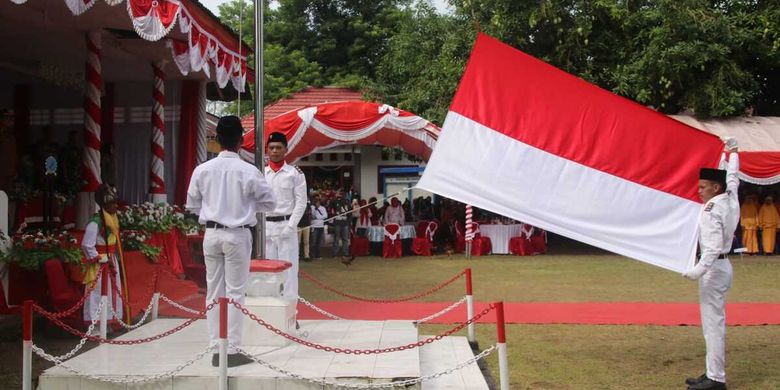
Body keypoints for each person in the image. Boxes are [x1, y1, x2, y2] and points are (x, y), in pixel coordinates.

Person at [186, 115, 276, 367]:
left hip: (211, 233)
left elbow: (192, 205)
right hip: (237, 233)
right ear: (240, 140)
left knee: (214, 290)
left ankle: (216, 345)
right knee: (236, 291)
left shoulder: (202, 170)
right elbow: (270, 202)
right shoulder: (248, 170)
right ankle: (232, 348)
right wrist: (245, 204)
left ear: (217, 138)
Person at [682, 140, 739, 390]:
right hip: (722, 267)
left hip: (714, 268)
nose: (700, 191)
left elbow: (713, 247)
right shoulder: (730, 197)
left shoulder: (711, 209)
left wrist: (696, 271)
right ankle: (712, 372)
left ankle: (716, 378)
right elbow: (734, 178)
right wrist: (733, 154)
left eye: (703, 187)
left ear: (716, 187)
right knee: (713, 323)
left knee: (712, 325)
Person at [263, 132, 307, 305]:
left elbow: (301, 202)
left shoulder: (294, 173)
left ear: (286, 150)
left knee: (289, 271)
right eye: (271, 147)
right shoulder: (261, 173)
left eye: (278, 147)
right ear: (267, 150)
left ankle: (291, 314)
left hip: (286, 225)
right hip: (266, 227)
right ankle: (271, 311)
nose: (275, 151)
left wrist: (290, 226)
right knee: (268, 272)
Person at [81, 184, 130, 326]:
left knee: (112, 291)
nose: (115, 206)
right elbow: (86, 244)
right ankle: (95, 325)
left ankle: (108, 323)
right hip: (100, 264)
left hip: (111, 259)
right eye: (112, 203)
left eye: (115, 203)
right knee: (97, 293)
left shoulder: (113, 219)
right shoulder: (96, 221)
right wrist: (101, 259)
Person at [330, 196, 353, 265]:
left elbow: (350, 212)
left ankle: (345, 253)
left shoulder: (347, 202)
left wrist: (349, 221)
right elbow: (331, 204)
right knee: (336, 238)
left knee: (345, 239)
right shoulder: (335, 201)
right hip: (337, 222)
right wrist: (335, 196)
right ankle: (335, 254)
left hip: (345, 223)